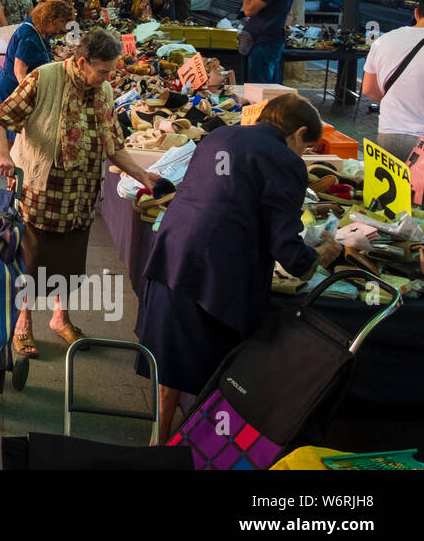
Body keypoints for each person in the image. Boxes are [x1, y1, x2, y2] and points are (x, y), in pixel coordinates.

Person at [136, 94, 343, 443]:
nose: (303, 156)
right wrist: (321, 253)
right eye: (306, 148)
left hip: (172, 253)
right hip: (217, 274)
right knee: (219, 370)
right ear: (299, 133)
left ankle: (158, 442)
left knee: (170, 356)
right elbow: (286, 245)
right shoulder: (283, 159)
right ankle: (203, 451)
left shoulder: (219, 136)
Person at [0, 29, 161, 358]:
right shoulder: (44, 79)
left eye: (112, 71)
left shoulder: (104, 91)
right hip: (41, 190)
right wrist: (2, 155)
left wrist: (141, 174)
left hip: (80, 194)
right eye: (104, 71)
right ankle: (23, 321)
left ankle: (60, 317)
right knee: (33, 260)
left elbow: (112, 142)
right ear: (82, 63)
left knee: (70, 263)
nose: (110, 78)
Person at [0, 0, 75, 128]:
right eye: (56, 28)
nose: (56, 32)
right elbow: (19, 70)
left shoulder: (36, 25)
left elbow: (38, 54)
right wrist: (28, 96)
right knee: (8, 136)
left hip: (11, 84)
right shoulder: (30, 37)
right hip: (13, 88)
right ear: (50, 19)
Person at [361, 2, 424, 162]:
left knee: (394, 187)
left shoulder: (385, 40)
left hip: (391, 133)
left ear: (416, 14)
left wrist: (397, 101)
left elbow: (368, 89)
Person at [240, 0, 294, 84]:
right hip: (271, 41)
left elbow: (248, 10)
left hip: (264, 43)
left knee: (260, 87)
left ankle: (262, 106)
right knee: (269, 85)